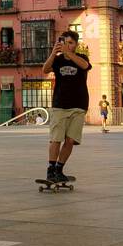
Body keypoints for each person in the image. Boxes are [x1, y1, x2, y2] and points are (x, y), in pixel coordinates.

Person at [41, 31, 92, 183]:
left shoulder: (82, 58)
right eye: (65, 42)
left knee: (70, 140)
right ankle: (50, 169)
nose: (67, 45)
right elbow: (45, 69)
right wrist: (53, 53)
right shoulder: (57, 61)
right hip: (60, 105)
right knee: (56, 139)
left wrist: (68, 53)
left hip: (78, 105)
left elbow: (85, 66)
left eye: (71, 43)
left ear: (76, 44)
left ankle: (59, 168)